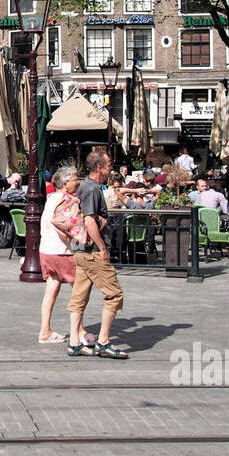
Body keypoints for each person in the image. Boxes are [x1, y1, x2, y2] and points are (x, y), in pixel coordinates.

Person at [67, 152, 129, 359]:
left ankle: (74, 343)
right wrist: (103, 248)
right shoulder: (92, 189)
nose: (112, 168)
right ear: (100, 167)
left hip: (81, 252)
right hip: (92, 252)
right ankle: (103, 342)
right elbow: (89, 221)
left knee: (79, 297)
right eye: (109, 164)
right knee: (114, 294)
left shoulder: (84, 186)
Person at [38, 165, 82, 345]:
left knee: (52, 289)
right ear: (65, 183)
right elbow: (63, 226)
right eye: (75, 179)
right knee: (80, 291)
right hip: (61, 251)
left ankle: (45, 330)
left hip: (46, 249)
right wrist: (78, 237)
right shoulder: (67, 199)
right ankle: (80, 331)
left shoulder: (51, 198)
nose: (78, 182)